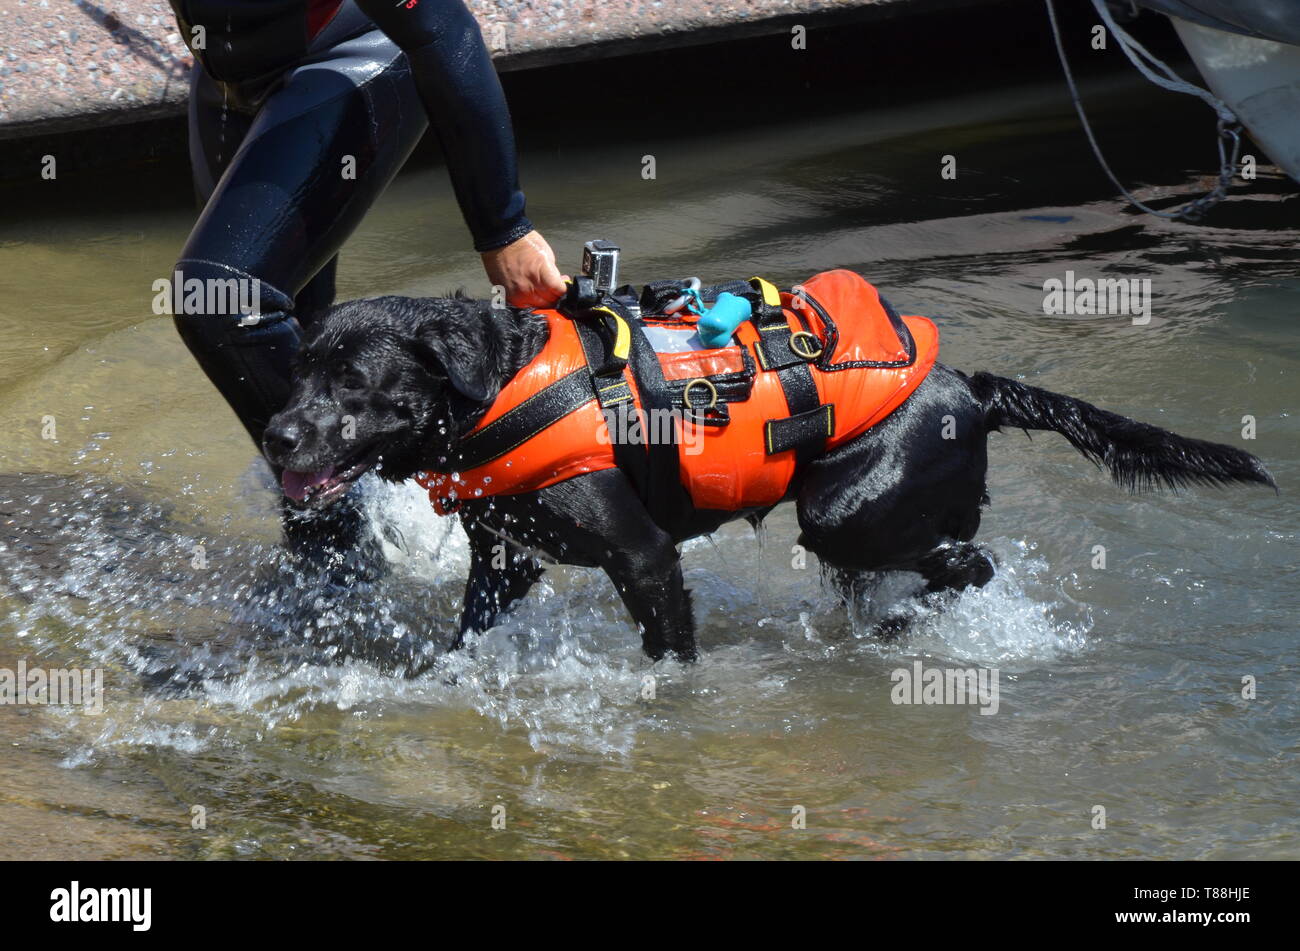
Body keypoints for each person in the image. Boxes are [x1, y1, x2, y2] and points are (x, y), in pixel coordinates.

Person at [166, 0, 564, 563]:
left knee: (223, 296)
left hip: (355, 58)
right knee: (289, 334)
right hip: (225, 82)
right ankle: (346, 534)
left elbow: (443, 29)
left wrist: (503, 228)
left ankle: (342, 571)